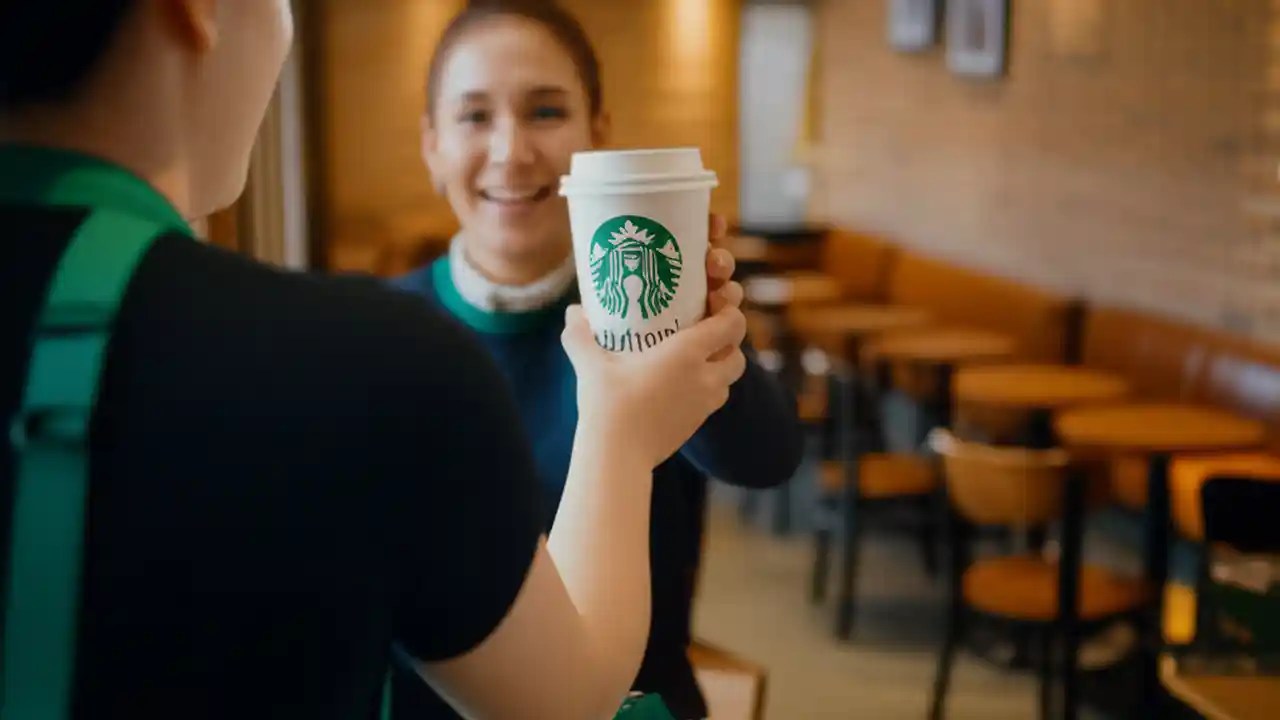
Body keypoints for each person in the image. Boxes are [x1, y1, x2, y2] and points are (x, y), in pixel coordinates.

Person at [0, 1, 750, 718]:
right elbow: (567, 701)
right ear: (197, 6)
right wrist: (619, 432)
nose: (510, 150)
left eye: (545, 110)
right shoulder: (375, 362)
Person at [390, 2, 804, 717]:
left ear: (598, 136)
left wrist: (706, 328)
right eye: (474, 117)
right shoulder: (376, 334)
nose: (511, 150)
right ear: (431, 146)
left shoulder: (654, 321)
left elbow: (766, 459)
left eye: (546, 111)